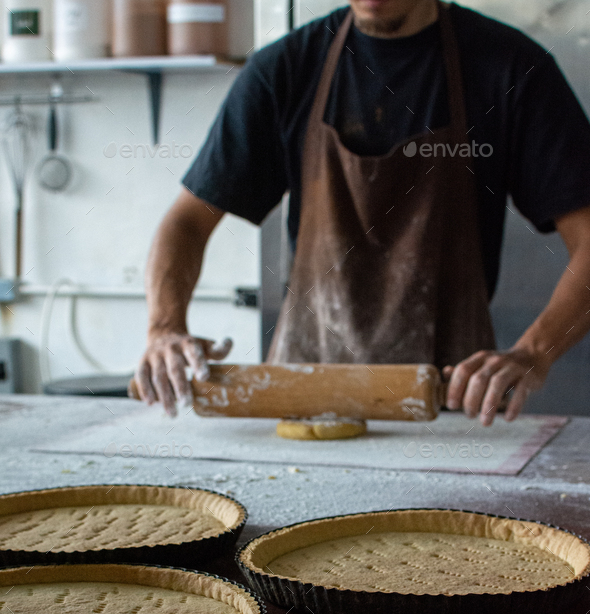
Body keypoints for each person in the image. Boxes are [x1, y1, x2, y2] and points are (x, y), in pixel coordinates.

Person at [134, 0, 590, 423]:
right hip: (305, 401)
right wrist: (164, 327)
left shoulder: (509, 68)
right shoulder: (286, 69)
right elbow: (187, 222)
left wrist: (534, 353)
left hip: (451, 406)